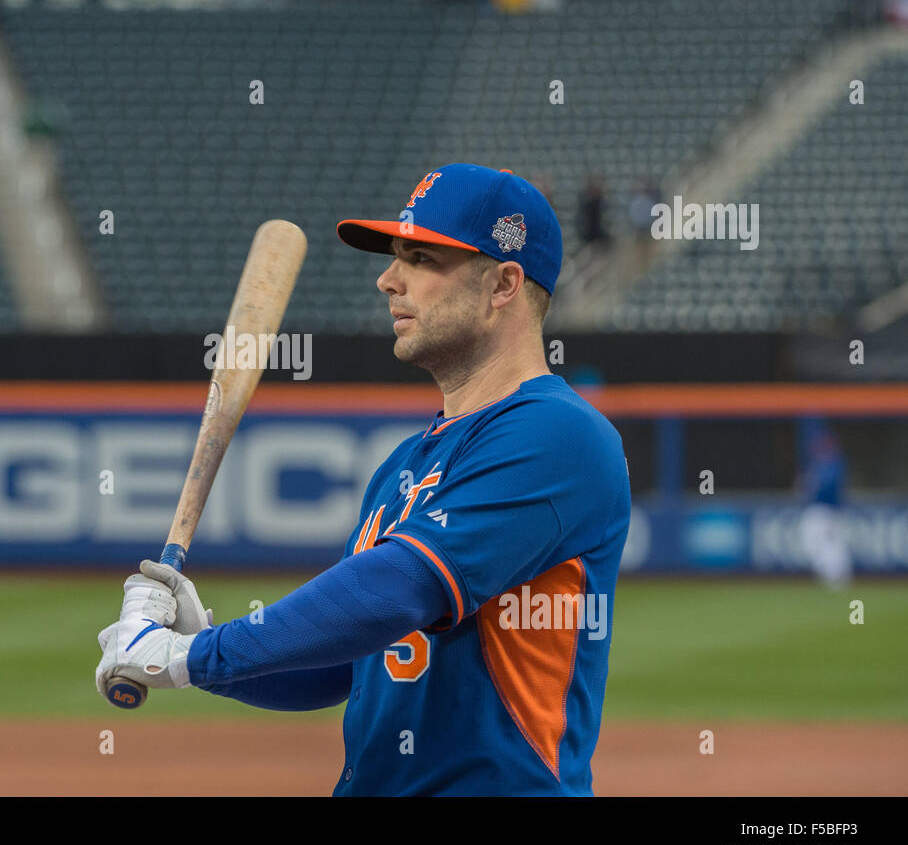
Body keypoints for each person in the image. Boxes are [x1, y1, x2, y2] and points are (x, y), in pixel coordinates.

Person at [95, 164, 631, 795]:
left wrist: (190, 659)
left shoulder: (559, 436)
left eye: (422, 258)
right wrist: (200, 644)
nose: (388, 279)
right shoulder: (404, 463)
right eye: (394, 256)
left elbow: (401, 586)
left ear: (503, 284)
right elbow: (347, 664)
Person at [798, 428, 851, 588]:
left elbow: (828, 486)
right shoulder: (819, 463)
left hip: (827, 511)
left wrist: (811, 484)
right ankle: (833, 575)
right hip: (818, 510)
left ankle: (838, 576)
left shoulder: (835, 463)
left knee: (830, 545)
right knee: (815, 544)